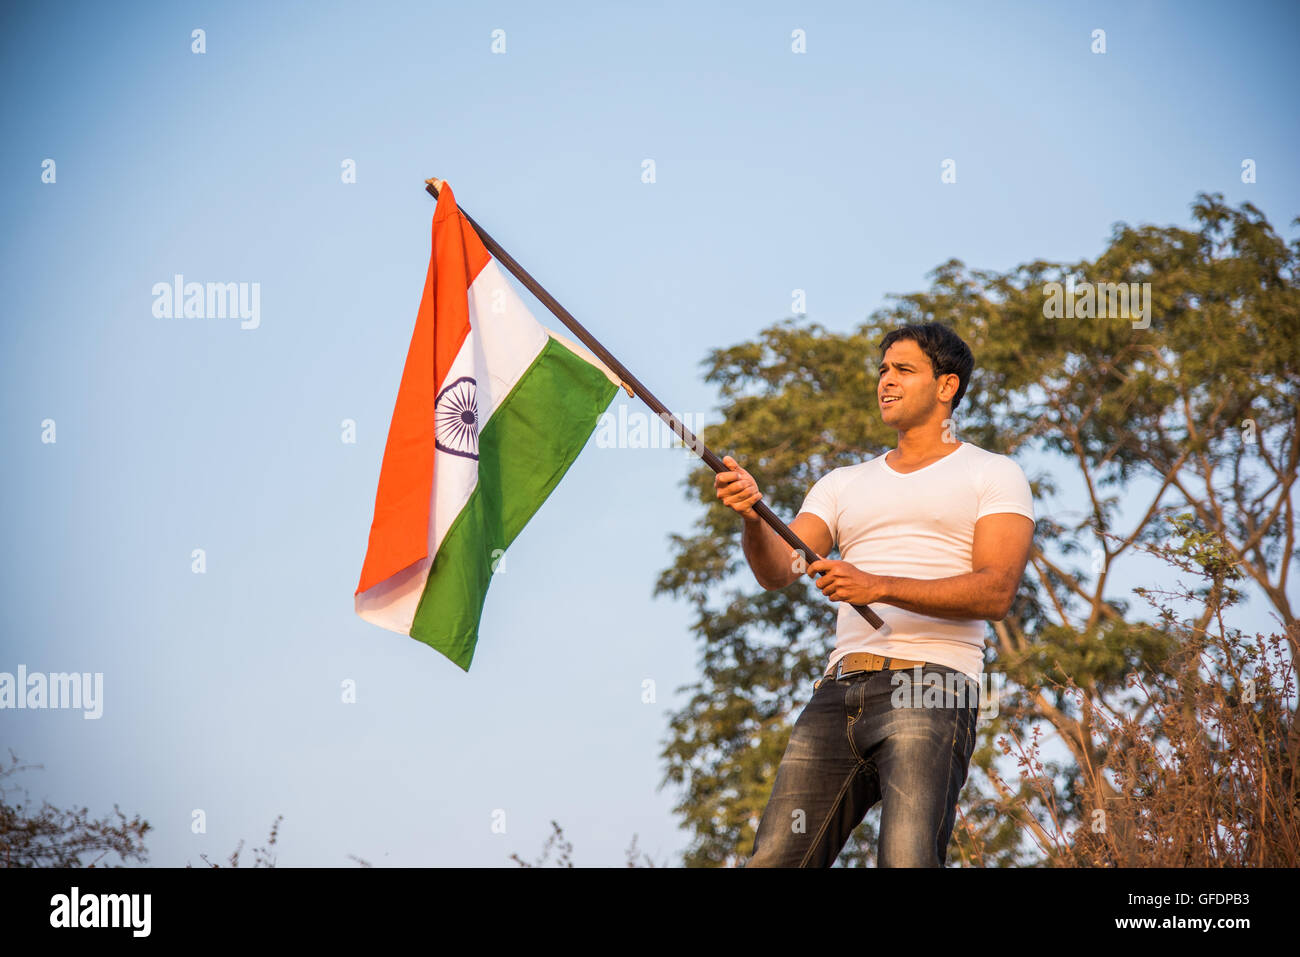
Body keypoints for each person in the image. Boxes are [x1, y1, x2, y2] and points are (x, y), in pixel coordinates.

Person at [715, 322, 1035, 867]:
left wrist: (877, 585)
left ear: (946, 386)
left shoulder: (993, 473)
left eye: (903, 369)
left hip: (932, 684)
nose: (885, 380)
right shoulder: (843, 482)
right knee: (773, 860)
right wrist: (752, 517)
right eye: (883, 369)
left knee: (907, 860)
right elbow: (778, 570)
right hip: (837, 690)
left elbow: (996, 591)